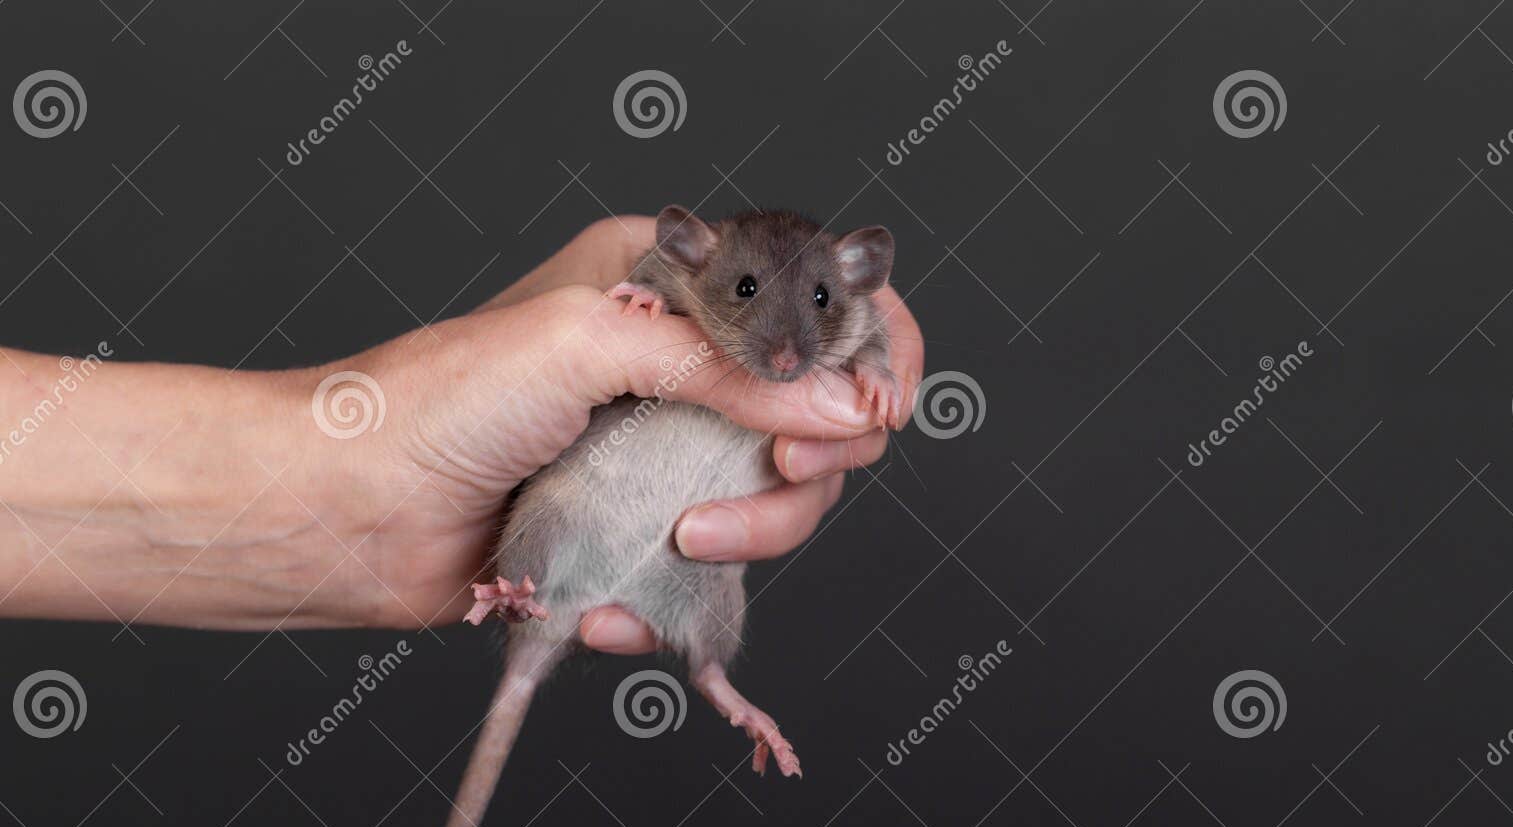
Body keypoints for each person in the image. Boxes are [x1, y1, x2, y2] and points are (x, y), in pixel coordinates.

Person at [0, 216, 923, 653]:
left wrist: (873, 371)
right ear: (691, 267)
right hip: (584, 501)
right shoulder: (676, 283)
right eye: (754, 299)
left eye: (815, 304)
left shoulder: (846, 320)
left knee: (709, 569)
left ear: (855, 278)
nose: (787, 346)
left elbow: (863, 332)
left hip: (621, 526)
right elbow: (666, 272)